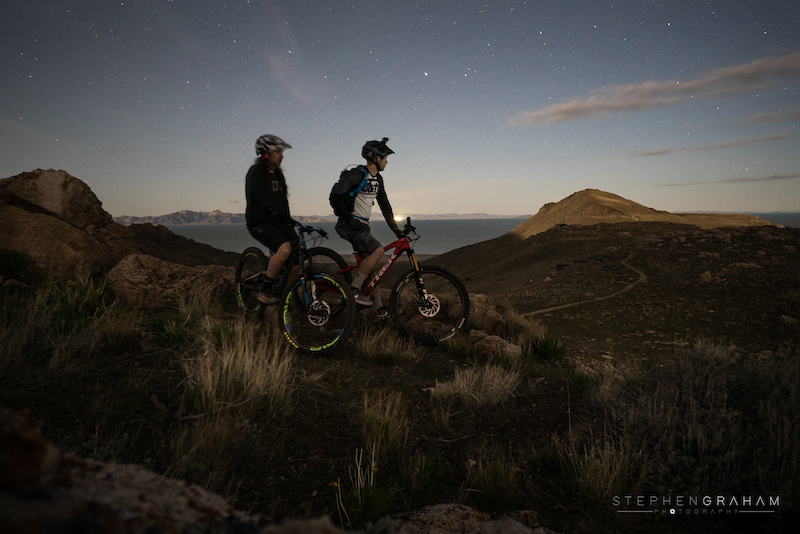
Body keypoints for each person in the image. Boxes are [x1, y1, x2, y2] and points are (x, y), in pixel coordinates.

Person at [330, 137, 402, 317]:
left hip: (361, 226)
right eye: (385, 157)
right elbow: (335, 197)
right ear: (376, 158)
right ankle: (354, 290)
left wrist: (396, 230)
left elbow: (385, 205)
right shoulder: (356, 174)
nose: (387, 161)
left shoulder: (378, 179)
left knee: (369, 266)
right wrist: (349, 218)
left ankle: (378, 308)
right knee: (377, 251)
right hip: (348, 225)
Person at [245, 134, 295, 304]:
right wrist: (271, 210)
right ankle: (265, 290)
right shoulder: (256, 172)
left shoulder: (279, 175)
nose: (282, 155)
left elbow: (283, 200)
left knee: (297, 252)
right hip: (259, 222)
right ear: (266, 153)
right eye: (278, 151)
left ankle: (286, 294)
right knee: (285, 249)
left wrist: (288, 219)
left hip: (277, 221)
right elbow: (258, 196)